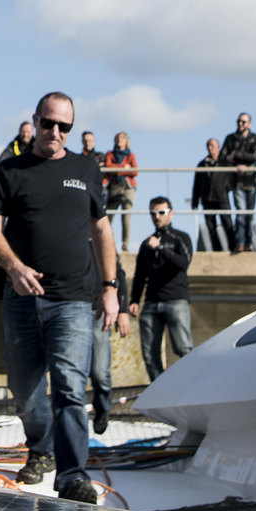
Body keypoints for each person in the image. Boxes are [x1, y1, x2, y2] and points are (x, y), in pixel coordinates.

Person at [0, 91, 122, 506]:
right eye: (49, 124)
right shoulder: (10, 169)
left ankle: (73, 475)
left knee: (69, 388)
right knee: (24, 391)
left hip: (74, 300)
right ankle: (40, 447)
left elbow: (102, 232)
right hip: (22, 297)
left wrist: (110, 288)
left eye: (65, 126)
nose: (55, 132)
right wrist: (13, 267)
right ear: (35, 121)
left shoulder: (86, 168)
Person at [127, 197, 194, 383]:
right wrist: (134, 300)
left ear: (171, 214)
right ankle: (162, 392)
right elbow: (140, 274)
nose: (157, 217)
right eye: (153, 213)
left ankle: (190, 390)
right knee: (149, 353)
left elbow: (183, 263)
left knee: (183, 348)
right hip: (151, 303)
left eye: (161, 212)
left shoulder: (181, 238)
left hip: (176, 300)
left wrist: (162, 248)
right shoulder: (146, 244)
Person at [220, 114, 256, 252]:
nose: (240, 124)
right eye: (238, 121)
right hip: (237, 181)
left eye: (243, 121)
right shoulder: (230, 138)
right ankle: (240, 243)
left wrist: (236, 155)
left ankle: (248, 243)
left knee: (249, 215)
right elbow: (222, 157)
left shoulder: (255, 138)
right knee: (241, 213)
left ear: (249, 124)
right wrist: (230, 158)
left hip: (252, 181)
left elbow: (254, 156)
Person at [191, 137, 233, 252]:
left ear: (218, 147)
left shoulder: (225, 163)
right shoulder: (202, 164)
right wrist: (195, 201)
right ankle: (217, 250)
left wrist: (226, 189)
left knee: (227, 223)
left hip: (222, 198)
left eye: (212, 145)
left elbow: (231, 178)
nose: (210, 148)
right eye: (209, 145)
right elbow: (197, 184)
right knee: (211, 227)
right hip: (207, 199)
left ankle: (232, 248)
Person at [102, 132, 138, 247]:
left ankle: (125, 245)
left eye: (122, 138)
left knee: (126, 217)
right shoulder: (110, 154)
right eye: (117, 137)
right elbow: (108, 168)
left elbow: (135, 171)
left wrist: (117, 169)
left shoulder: (131, 155)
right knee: (108, 217)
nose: (119, 140)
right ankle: (106, 244)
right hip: (114, 187)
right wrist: (124, 167)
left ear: (127, 140)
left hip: (128, 187)